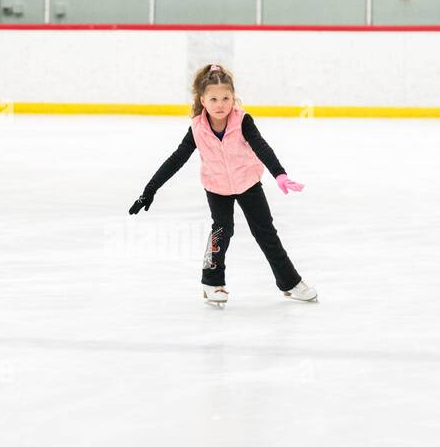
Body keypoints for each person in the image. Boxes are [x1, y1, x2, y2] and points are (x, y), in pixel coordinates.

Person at [129, 63, 318, 306]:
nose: (221, 104)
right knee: (221, 231)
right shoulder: (197, 128)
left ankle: (290, 283)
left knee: (266, 233)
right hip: (217, 186)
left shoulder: (242, 121)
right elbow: (177, 159)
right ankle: (211, 283)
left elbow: (261, 147)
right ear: (203, 100)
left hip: (247, 181)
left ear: (233, 98)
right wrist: (150, 190)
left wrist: (279, 174)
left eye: (226, 98)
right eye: (214, 98)